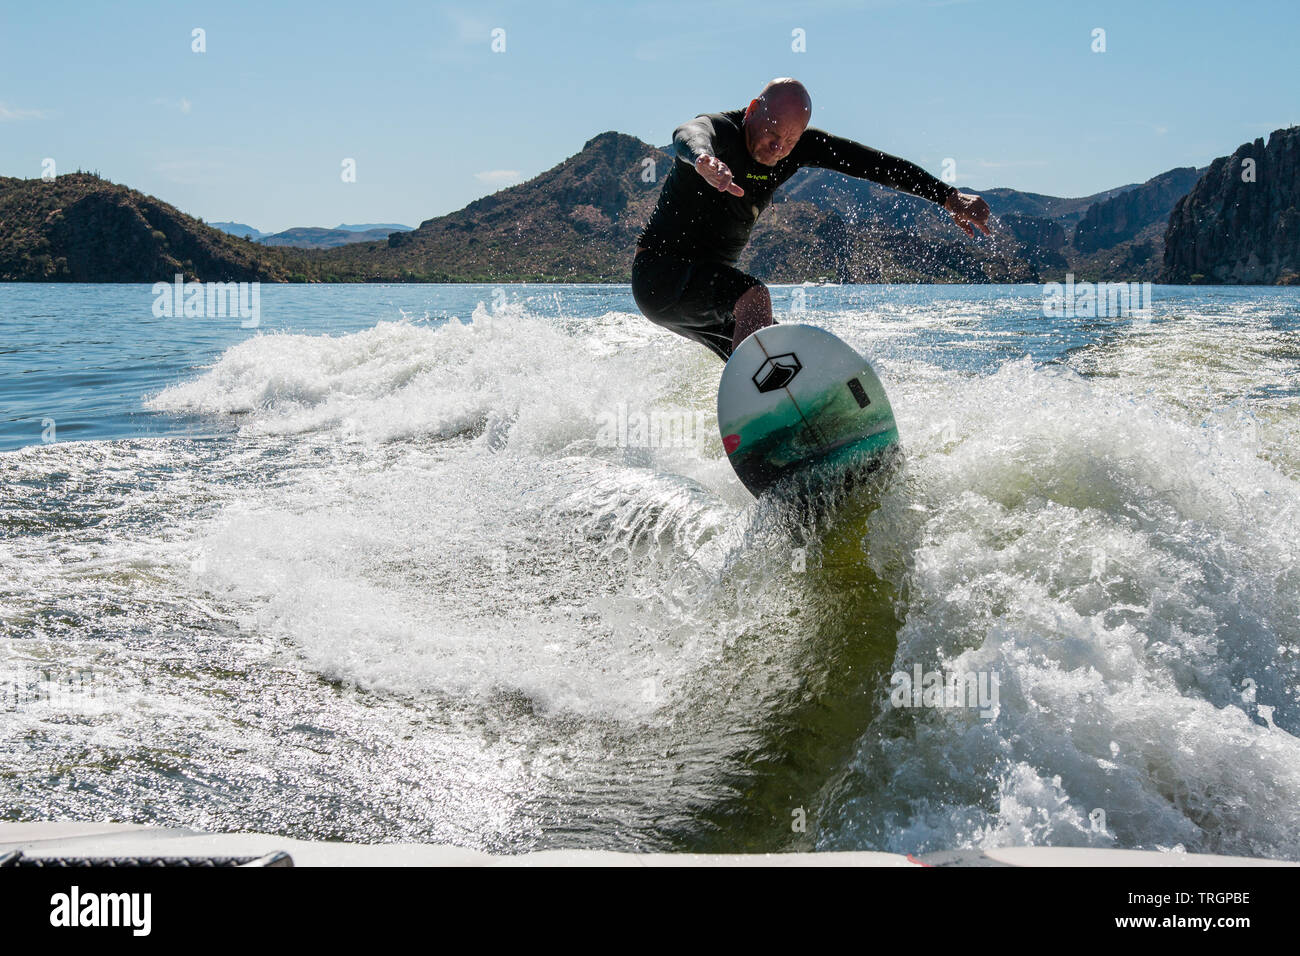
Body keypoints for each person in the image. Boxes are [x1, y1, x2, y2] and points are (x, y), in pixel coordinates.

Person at [632, 77, 992, 360]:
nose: (778, 148)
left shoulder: (796, 145)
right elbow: (688, 132)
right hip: (662, 275)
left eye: (789, 140)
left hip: (710, 288)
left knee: (777, 352)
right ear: (754, 109)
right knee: (754, 298)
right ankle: (755, 409)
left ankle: (779, 434)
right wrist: (702, 160)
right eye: (772, 134)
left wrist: (947, 196)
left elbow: (875, 165)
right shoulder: (722, 132)